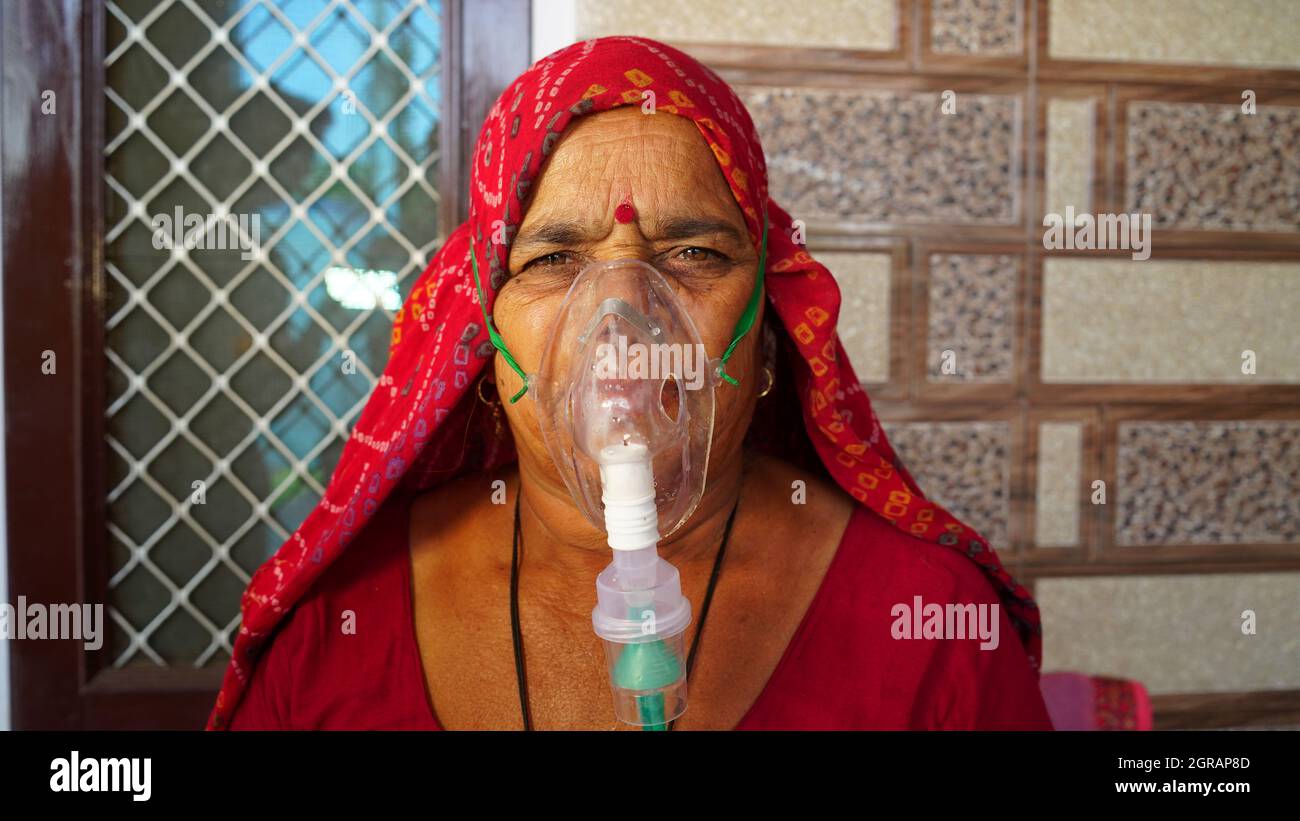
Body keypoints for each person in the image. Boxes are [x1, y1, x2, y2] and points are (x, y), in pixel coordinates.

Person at [210, 36, 1051, 731]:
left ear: (766, 340)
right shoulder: (341, 625)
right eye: (552, 259)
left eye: (694, 253)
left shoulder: (931, 622)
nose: (620, 311)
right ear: (485, 348)